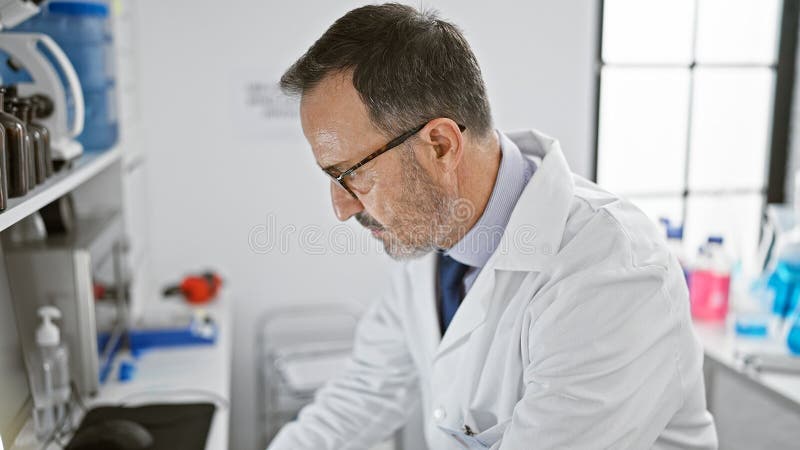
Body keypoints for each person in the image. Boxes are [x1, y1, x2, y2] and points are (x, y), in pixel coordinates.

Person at [269, 3, 718, 449]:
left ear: (440, 147)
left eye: (353, 174)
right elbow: (364, 392)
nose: (342, 208)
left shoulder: (610, 271)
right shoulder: (428, 236)